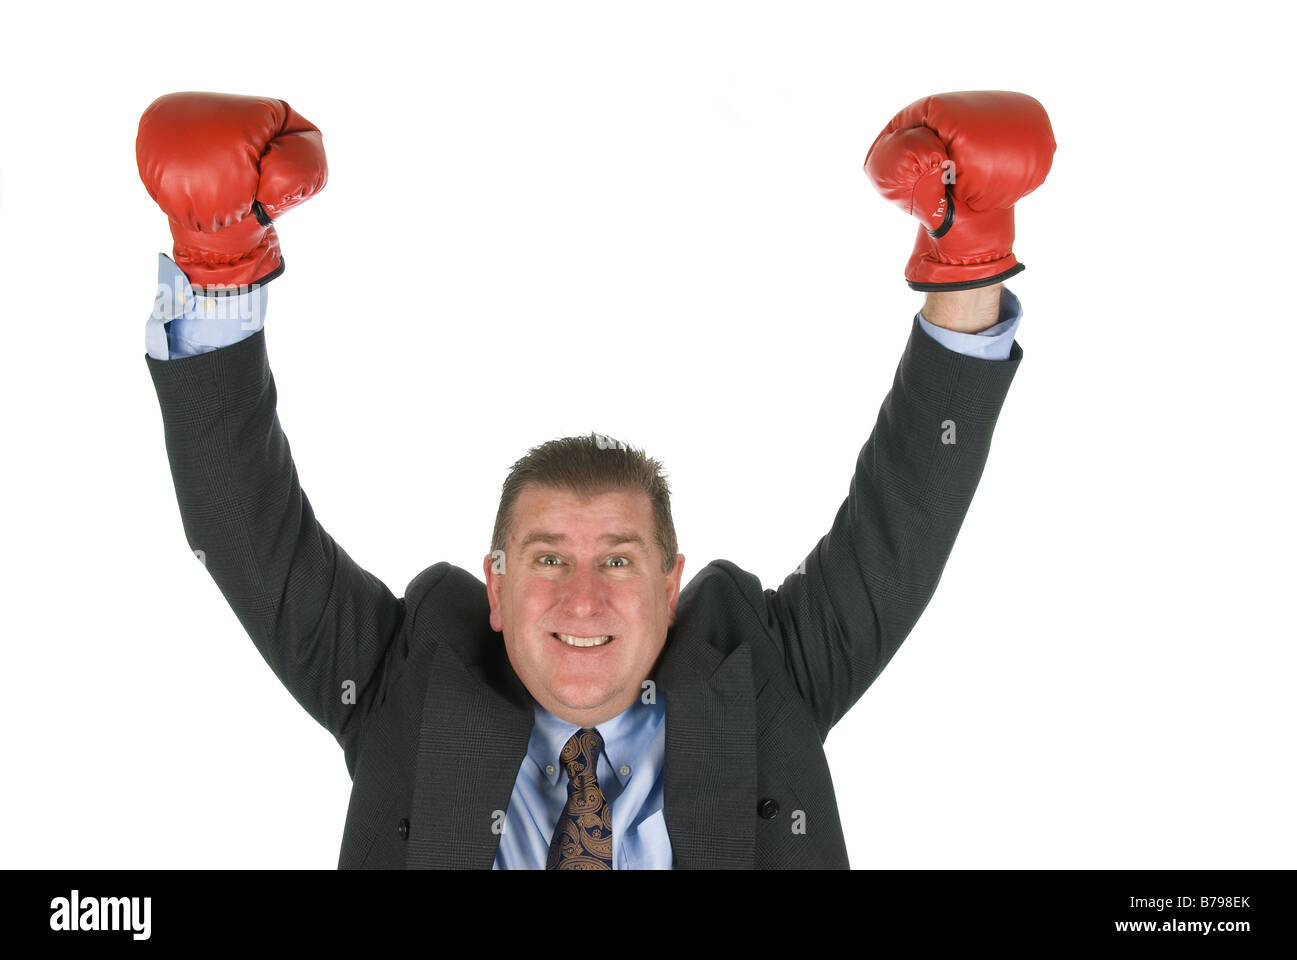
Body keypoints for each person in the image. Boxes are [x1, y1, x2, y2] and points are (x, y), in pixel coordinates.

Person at [139, 90, 1054, 869]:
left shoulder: (766, 675)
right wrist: (217, 266)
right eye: (545, 560)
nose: (583, 601)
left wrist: (966, 255)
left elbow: (905, 524)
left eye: (618, 561)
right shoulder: (407, 682)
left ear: (669, 586)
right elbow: (246, 530)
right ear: (494, 588)